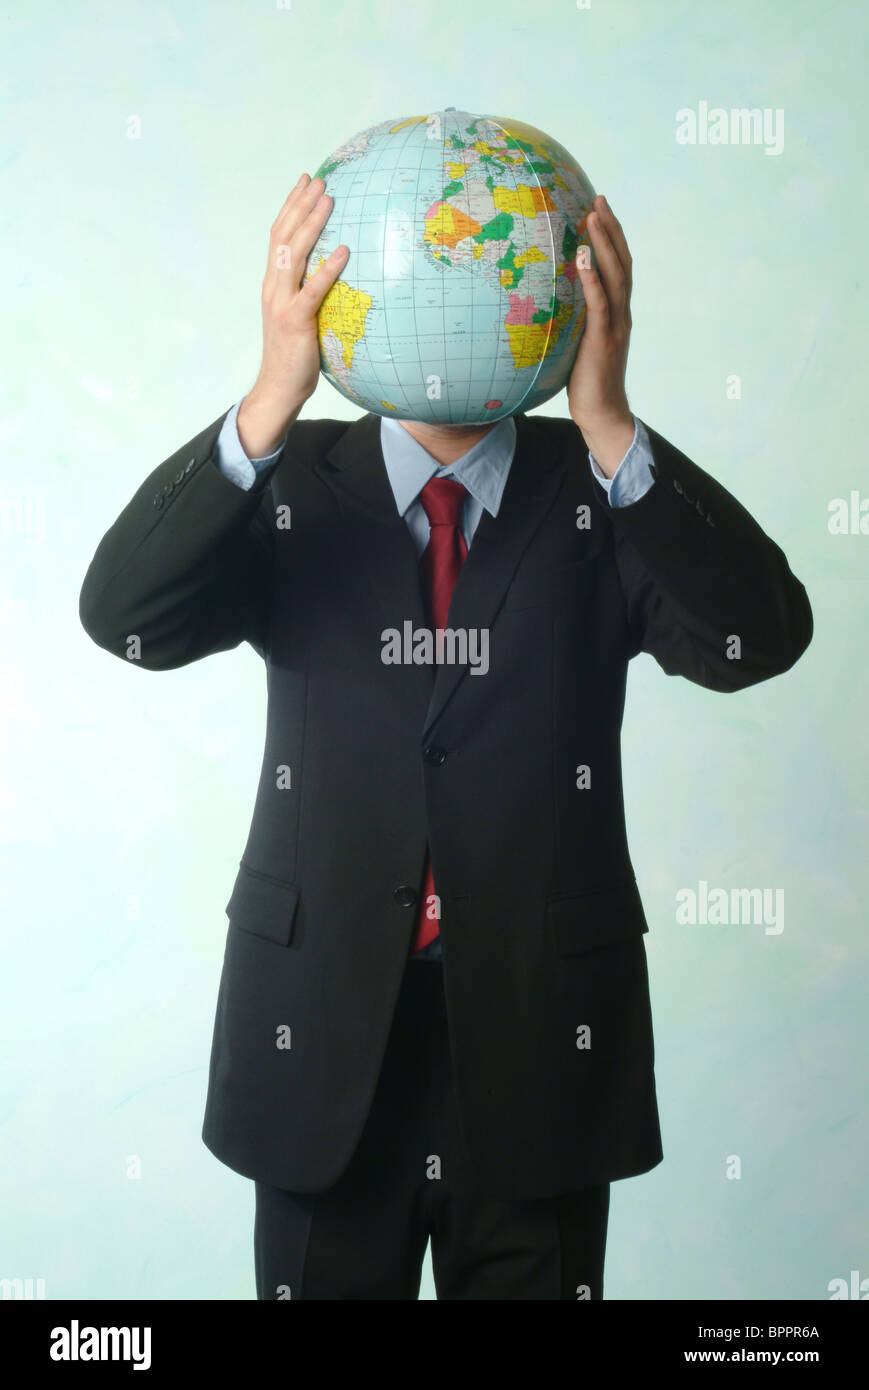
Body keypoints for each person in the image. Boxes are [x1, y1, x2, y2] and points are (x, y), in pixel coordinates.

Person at [79, 173, 813, 1300]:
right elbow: (126, 618)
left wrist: (608, 422)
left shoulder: (599, 490)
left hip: (538, 1041)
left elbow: (755, 637)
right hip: (321, 1040)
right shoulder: (288, 491)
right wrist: (268, 400)